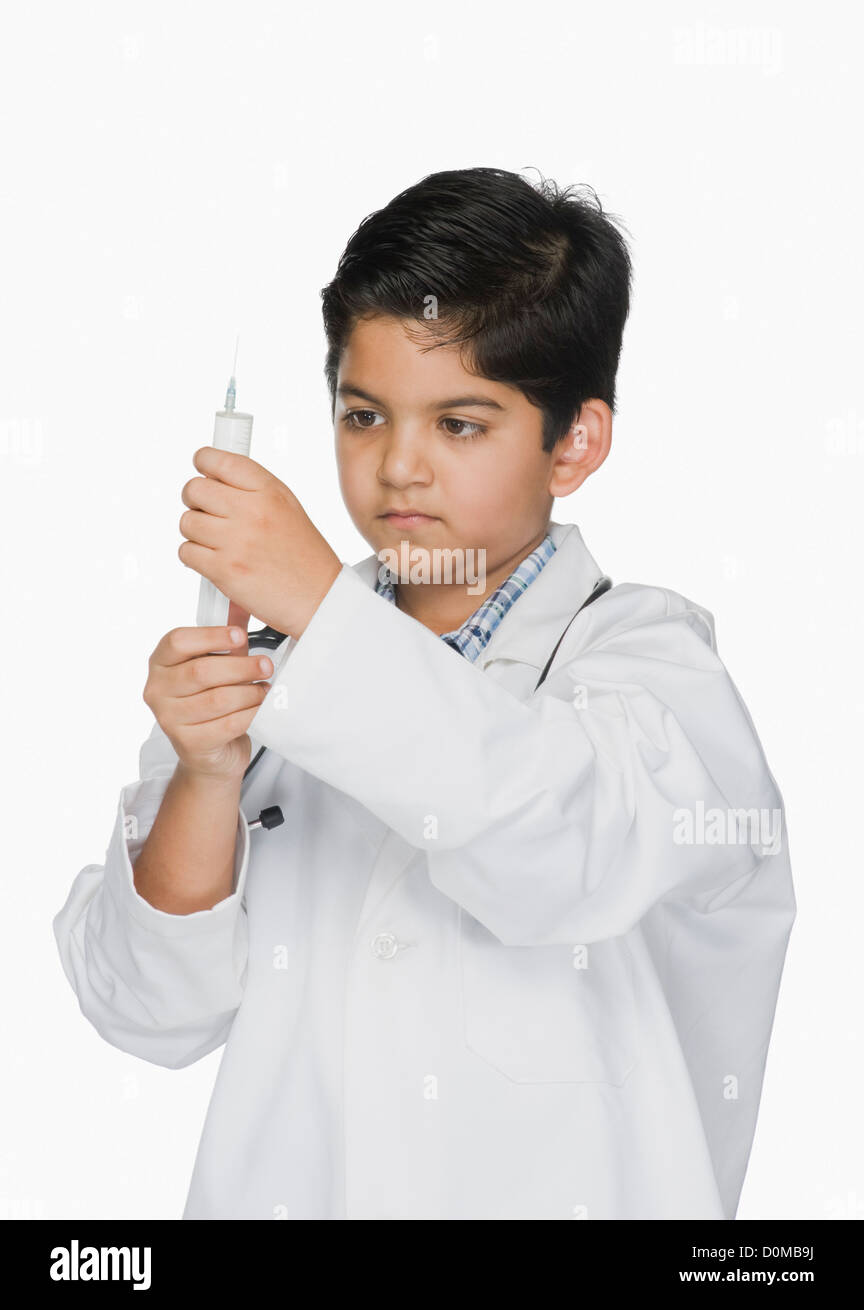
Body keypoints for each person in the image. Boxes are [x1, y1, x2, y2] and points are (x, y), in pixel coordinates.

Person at [53, 167, 795, 1220]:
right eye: (364, 416)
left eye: (460, 424)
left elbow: (556, 840)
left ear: (574, 442)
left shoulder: (655, 670)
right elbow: (149, 1013)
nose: (397, 467)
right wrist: (208, 777)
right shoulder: (271, 671)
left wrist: (318, 604)